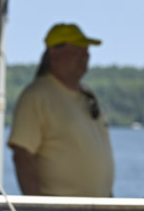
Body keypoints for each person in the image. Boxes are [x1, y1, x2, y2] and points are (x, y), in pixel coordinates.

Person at [8, 23, 114, 197]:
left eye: (86, 49)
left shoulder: (88, 96)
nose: (86, 54)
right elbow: (22, 156)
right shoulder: (36, 96)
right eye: (78, 48)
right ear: (54, 53)